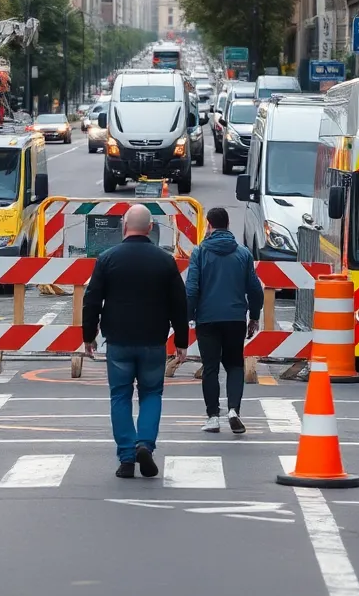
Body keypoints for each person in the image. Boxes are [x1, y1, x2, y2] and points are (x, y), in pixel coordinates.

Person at [82, 205, 188, 478]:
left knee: (120, 395)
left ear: (124, 225)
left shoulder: (107, 259)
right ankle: (145, 444)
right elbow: (179, 303)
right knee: (151, 393)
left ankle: (127, 457)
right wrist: (182, 339)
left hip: (118, 338)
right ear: (150, 228)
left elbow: (92, 299)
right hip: (153, 338)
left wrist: (89, 335)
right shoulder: (165, 261)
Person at [185, 207, 263, 434]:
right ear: (228, 225)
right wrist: (254, 316)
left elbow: (191, 288)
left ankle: (212, 417)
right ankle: (233, 411)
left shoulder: (199, 252)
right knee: (235, 365)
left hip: (207, 319)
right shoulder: (243, 254)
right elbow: (255, 290)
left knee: (210, 368)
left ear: (208, 225)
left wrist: (189, 316)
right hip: (235, 318)